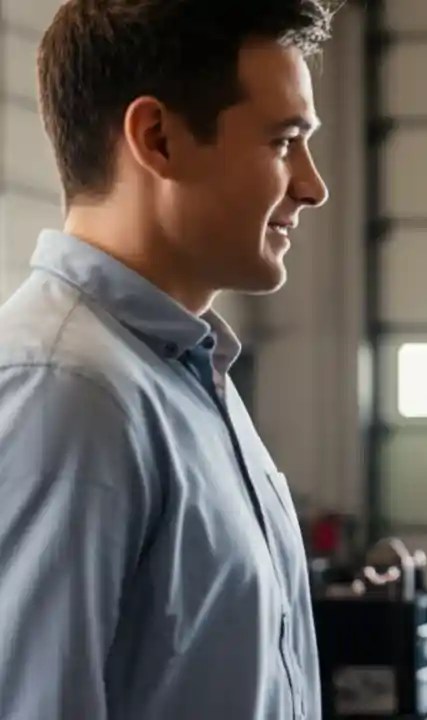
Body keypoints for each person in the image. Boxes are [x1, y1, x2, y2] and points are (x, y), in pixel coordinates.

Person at [0, 1, 332, 718]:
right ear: (157, 139)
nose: (312, 186)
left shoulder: (185, 372)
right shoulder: (66, 391)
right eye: (284, 143)